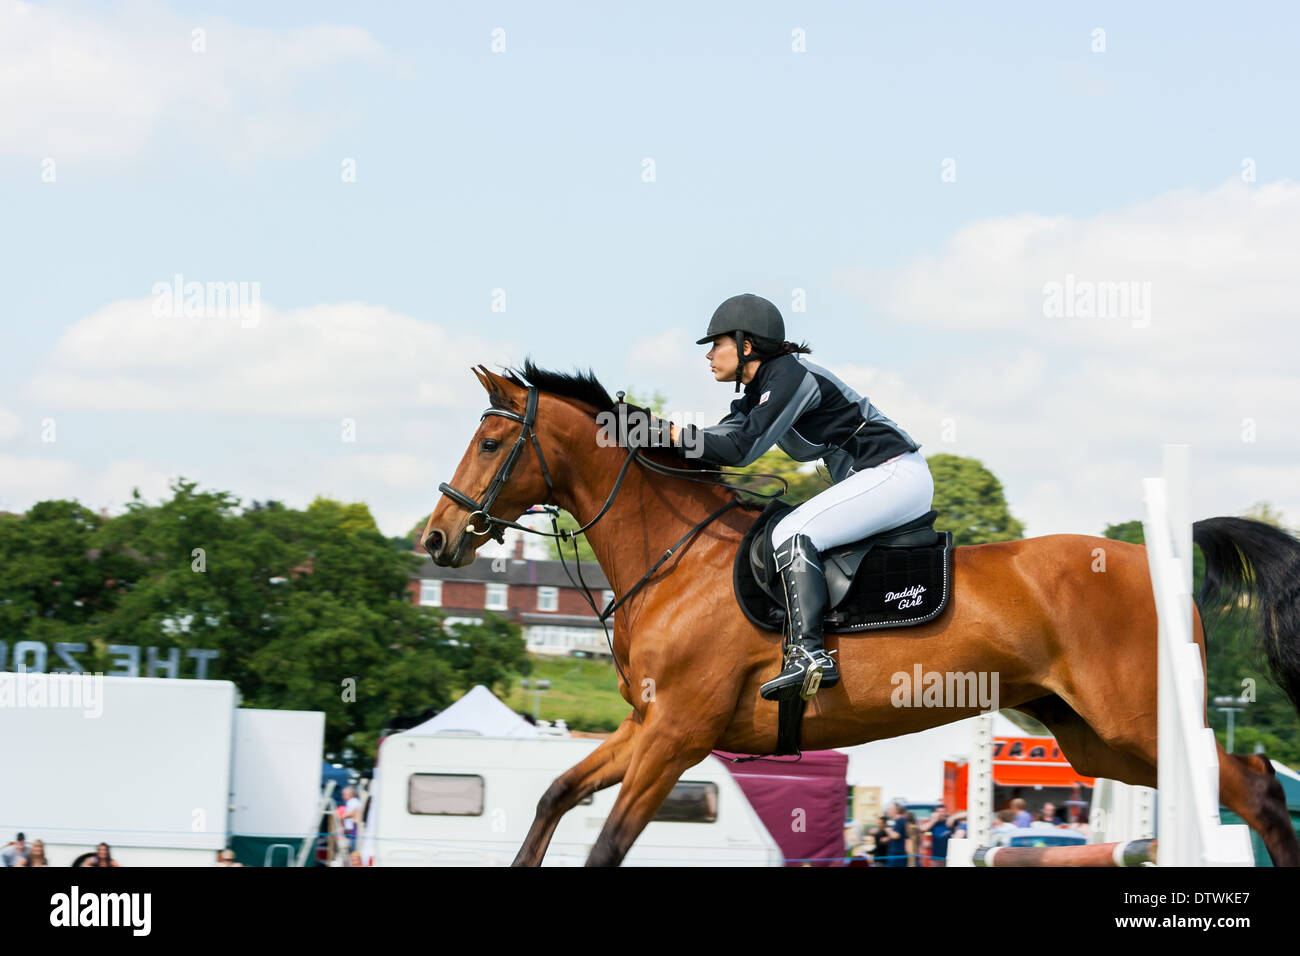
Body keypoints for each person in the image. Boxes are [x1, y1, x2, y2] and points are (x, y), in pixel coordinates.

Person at [666, 293, 933, 701]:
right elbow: (720, 436)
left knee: (792, 531)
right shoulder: (760, 390)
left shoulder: (790, 376)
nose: (710, 355)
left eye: (716, 344)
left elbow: (742, 449)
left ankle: (809, 654)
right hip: (882, 477)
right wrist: (652, 433)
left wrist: (672, 436)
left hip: (894, 472)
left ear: (746, 345)